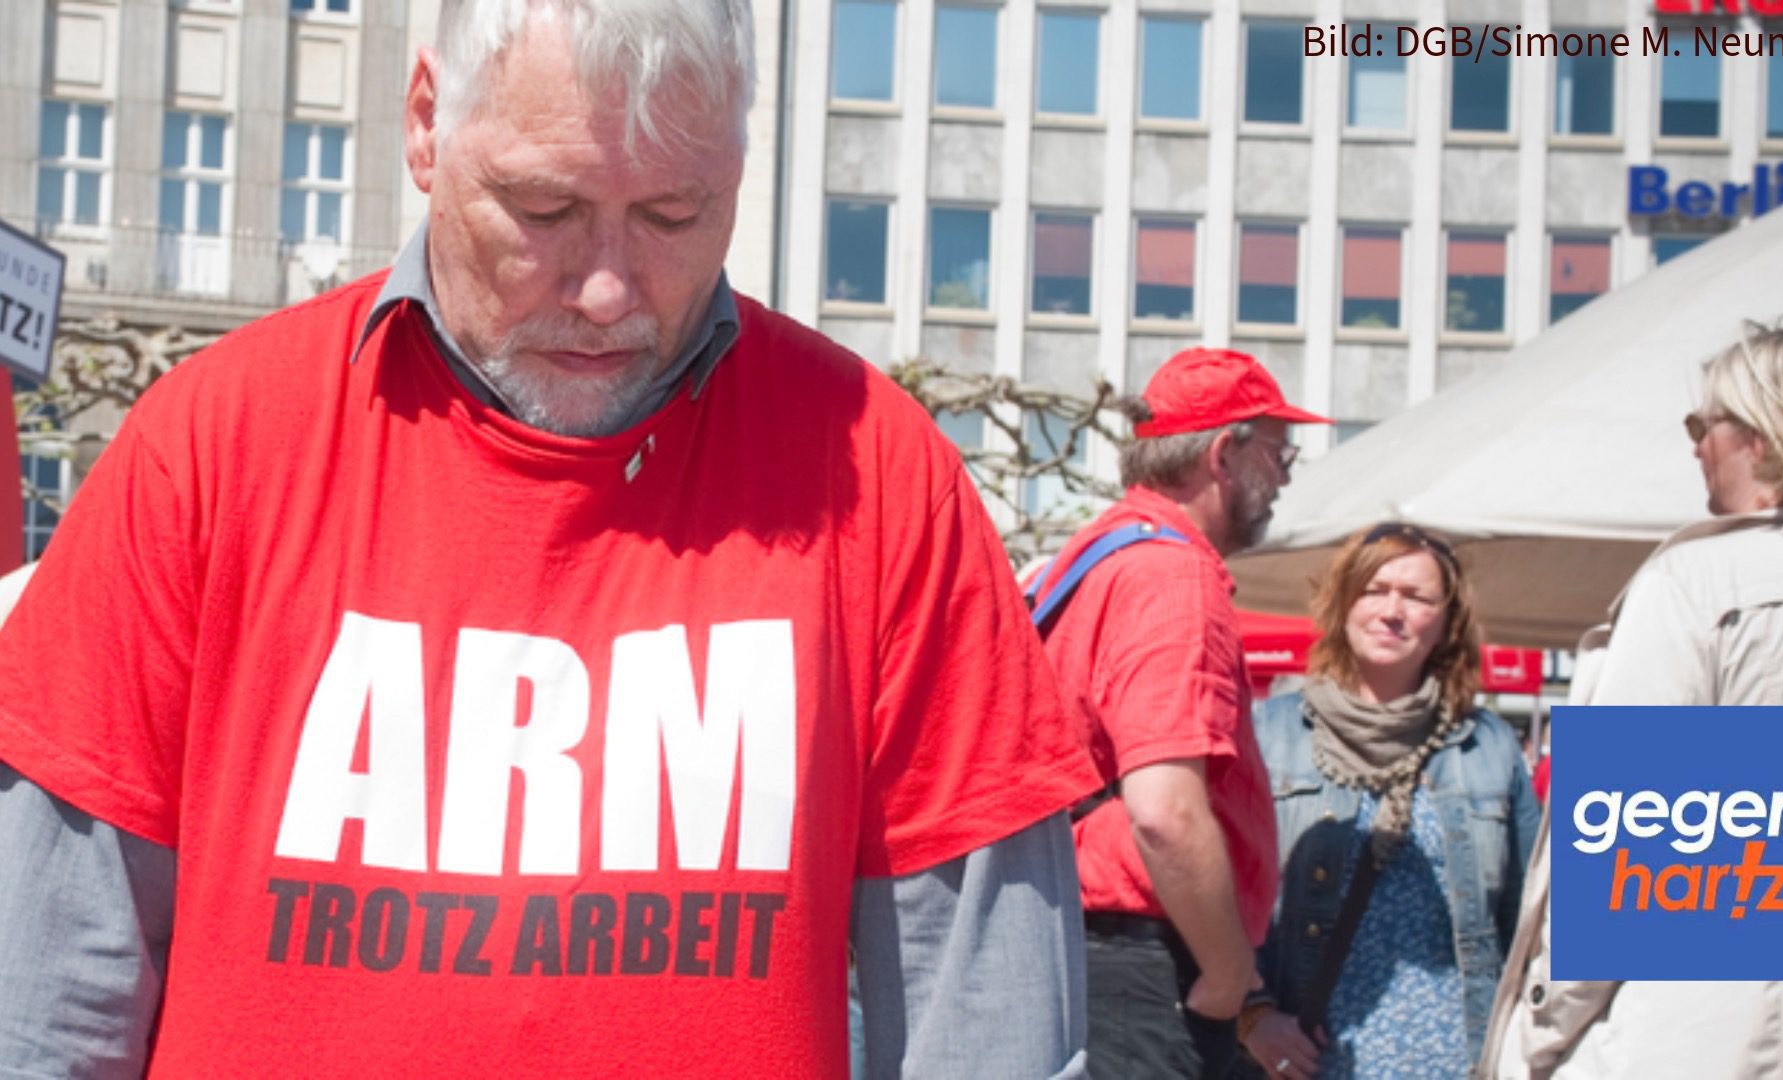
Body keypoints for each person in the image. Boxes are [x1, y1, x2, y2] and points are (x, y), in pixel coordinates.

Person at [0, 2, 1102, 1075]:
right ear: (425, 123)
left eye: (673, 214)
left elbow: (987, 1019)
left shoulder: (877, 475)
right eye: (543, 208)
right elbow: (46, 998)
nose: (608, 290)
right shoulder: (214, 445)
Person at [1481, 316, 1783, 1078]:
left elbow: (1629, 872)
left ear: (1761, 436)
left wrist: (1534, 1040)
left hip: (1719, 1037)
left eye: (1701, 425)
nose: (1694, 448)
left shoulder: (1700, 588)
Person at [1033, 347, 1329, 1078]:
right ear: (1224, 454)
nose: (1286, 476)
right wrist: (1230, 978)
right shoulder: (1172, 574)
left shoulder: (1094, 554)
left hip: (1081, 943)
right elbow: (1164, 812)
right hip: (1139, 966)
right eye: (1280, 453)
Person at [1238, 524, 1538, 1079]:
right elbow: (1219, 895)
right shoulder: (1272, 733)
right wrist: (1252, 1014)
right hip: (1308, 1064)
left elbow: (1531, 918)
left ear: (1447, 622)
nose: (1392, 611)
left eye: (1417, 597)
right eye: (1374, 590)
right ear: (1343, 604)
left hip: (1459, 1062)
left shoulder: (1488, 746)